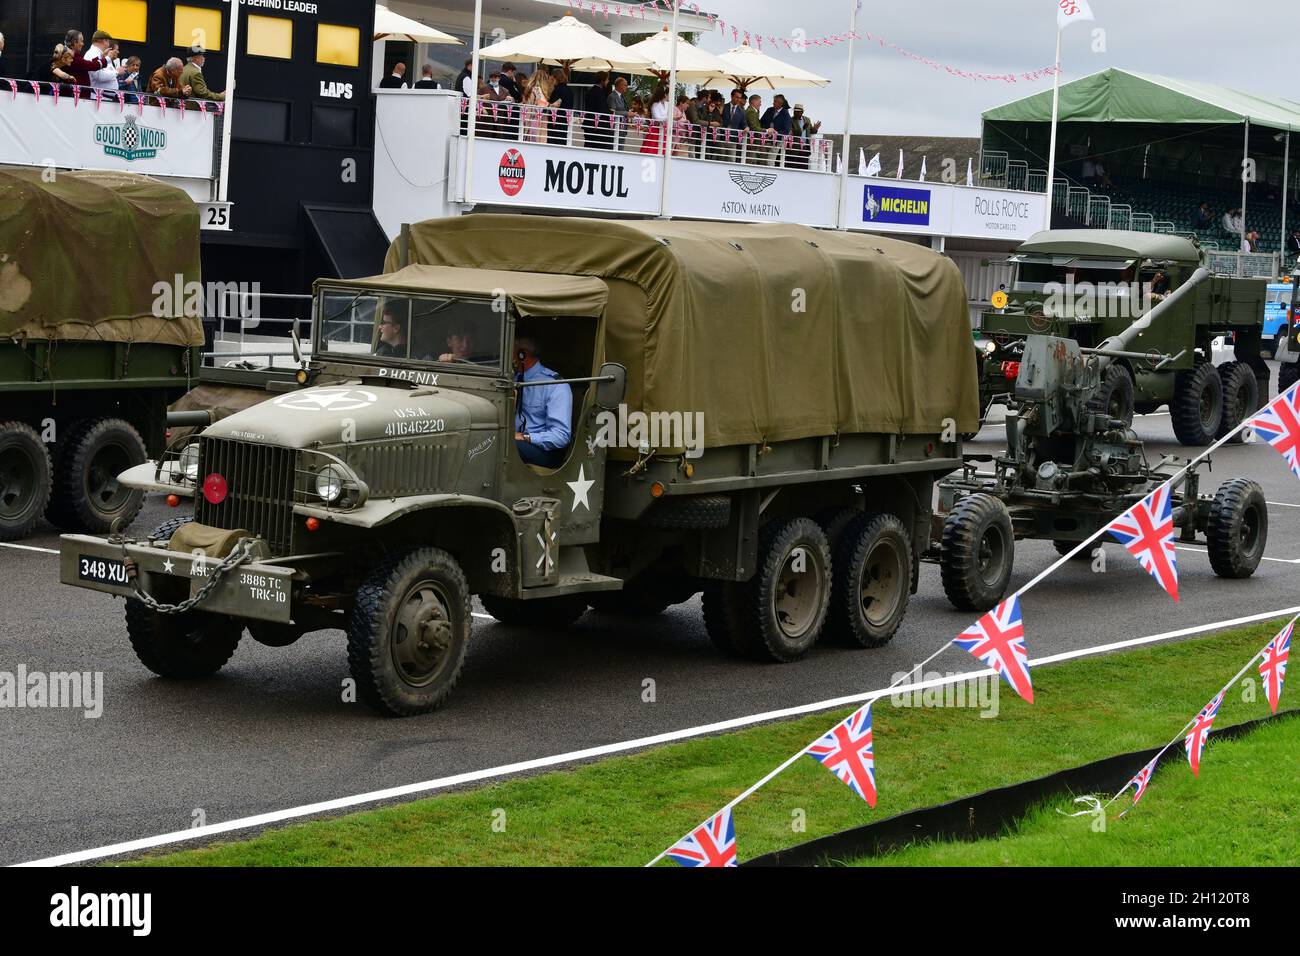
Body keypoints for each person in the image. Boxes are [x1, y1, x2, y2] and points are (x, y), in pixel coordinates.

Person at [514, 336, 572, 468]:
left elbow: (561, 436)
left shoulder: (555, 385)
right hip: (515, 441)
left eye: (511, 351)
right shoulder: (513, 379)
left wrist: (525, 437)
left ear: (522, 354)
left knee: (504, 446)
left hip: (543, 451)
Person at [522, 69, 551, 143]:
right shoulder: (537, 90)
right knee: (537, 143)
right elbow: (542, 104)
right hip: (537, 120)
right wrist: (551, 105)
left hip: (529, 118)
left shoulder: (530, 89)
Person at [584, 71, 612, 148]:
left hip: (589, 125)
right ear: (602, 80)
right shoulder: (599, 93)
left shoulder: (590, 91)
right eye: (607, 79)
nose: (608, 81)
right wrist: (610, 112)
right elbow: (601, 110)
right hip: (597, 127)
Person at [789, 103, 820, 170]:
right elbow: (793, 133)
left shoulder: (807, 119)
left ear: (802, 112)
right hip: (795, 148)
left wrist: (815, 129)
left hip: (805, 147)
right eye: (795, 111)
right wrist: (803, 128)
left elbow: (811, 131)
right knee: (793, 167)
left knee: (804, 168)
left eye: (798, 111)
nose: (795, 113)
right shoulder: (790, 120)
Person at [641, 84, 669, 155]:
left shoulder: (667, 104)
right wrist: (669, 118)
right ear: (665, 94)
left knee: (663, 150)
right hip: (655, 130)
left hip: (664, 130)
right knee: (652, 150)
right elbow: (657, 118)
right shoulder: (655, 104)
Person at [547, 66, 572, 146]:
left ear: (555, 78)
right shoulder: (569, 90)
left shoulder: (557, 90)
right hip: (565, 120)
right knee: (562, 143)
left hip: (555, 121)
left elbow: (553, 104)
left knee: (553, 143)